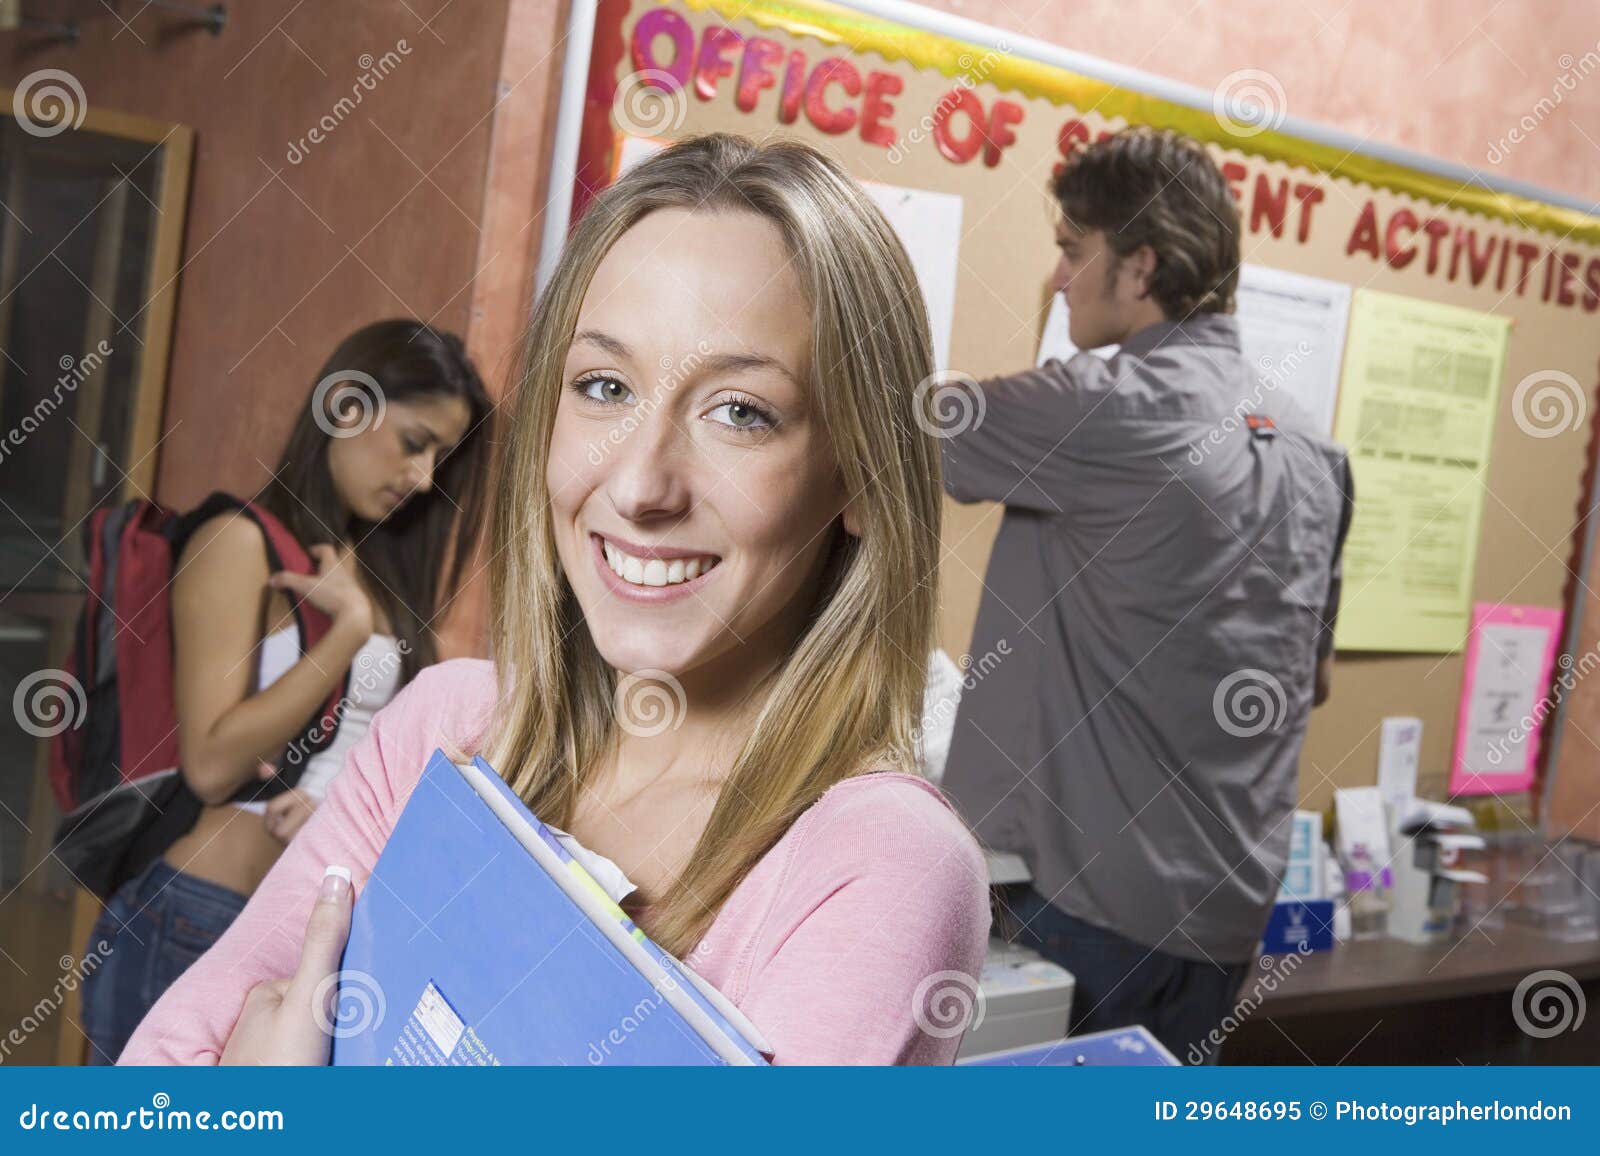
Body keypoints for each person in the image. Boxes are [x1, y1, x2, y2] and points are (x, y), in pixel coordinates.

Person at [118, 133, 990, 1067]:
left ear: (861, 473)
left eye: (740, 410)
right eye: (604, 387)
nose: (640, 485)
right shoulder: (446, 726)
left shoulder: (878, 865)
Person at [937, 126, 1352, 1063]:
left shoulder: (1113, 406)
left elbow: (905, 421)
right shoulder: (1314, 450)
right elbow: (1312, 677)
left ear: (1141, 266)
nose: (1057, 280)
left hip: (1085, 912)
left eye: (1072, 250)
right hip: (1224, 924)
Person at [82, 320, 495, 1063]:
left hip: (314, 947)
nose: (424, 476)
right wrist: (345, 634)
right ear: (348, 407)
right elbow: (212, 765)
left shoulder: (372, 572)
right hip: (197, 918)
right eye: (414, 442)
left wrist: (334, 811)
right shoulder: (238, 542)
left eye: (441, 456)